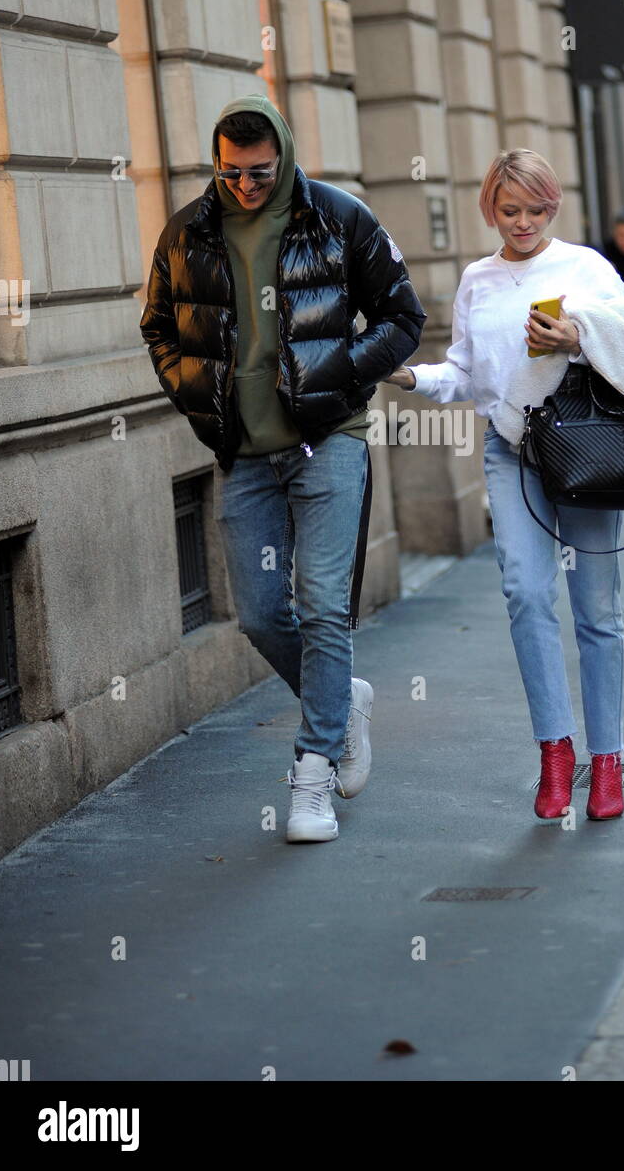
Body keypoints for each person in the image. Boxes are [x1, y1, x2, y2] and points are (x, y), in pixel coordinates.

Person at [140, 95, 426, 844]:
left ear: (284, 155)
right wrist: (198, 401)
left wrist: (337, 376)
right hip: (245, 455)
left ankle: (312, 775)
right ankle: (344, 700)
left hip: (328, 439)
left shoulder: (338, 217)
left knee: (324, 605)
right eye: (231, 173)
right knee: (263, 612)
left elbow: (403, 319)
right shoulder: (189, 232)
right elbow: (160, 326)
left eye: (259, 172)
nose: (244, 186)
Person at [388, 149, 624, 823]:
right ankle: (556, 757)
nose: (522, 222)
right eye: (508, 210)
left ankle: (607, 761)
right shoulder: (478, 279)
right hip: (511, 450)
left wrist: (575, 340)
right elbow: (467, 371)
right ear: (489, 209)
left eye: (534, 209)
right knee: (526, 595)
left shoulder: (587, 269)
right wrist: (415, 378)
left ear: (551, 205)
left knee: (596, 609)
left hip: (584, 448)